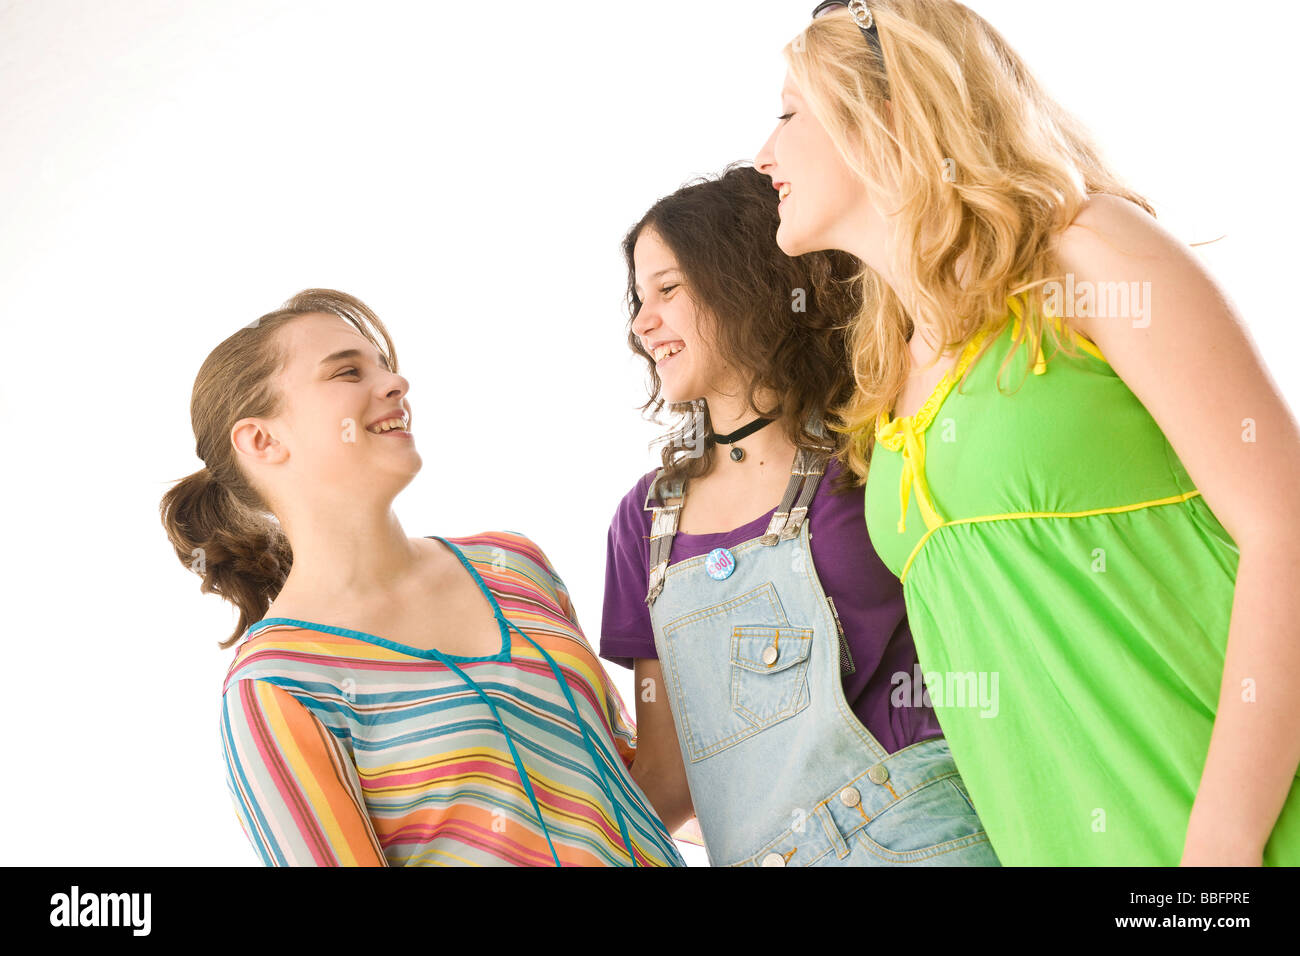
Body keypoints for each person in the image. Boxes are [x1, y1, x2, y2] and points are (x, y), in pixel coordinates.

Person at [754, 0, 1300, 865]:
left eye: (788, 112)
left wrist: (1223, 847)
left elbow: (1288, 530)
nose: (764, 153)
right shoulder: (889, 378)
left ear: (885, 111)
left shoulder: (1086, 251)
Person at [160, 289, 684, 866]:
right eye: (346, 372)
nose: (394, 383)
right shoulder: (277, 684)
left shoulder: (513, 565)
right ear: (263, 440)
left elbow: (634, 792)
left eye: (384, 366)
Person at [600, 163, 999, 866]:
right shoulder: (645, 524)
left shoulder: (875, 449)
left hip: (926, 837)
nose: (643, 322)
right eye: (638, 298)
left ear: (746, 284)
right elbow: (667, 777)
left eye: (667, 290)